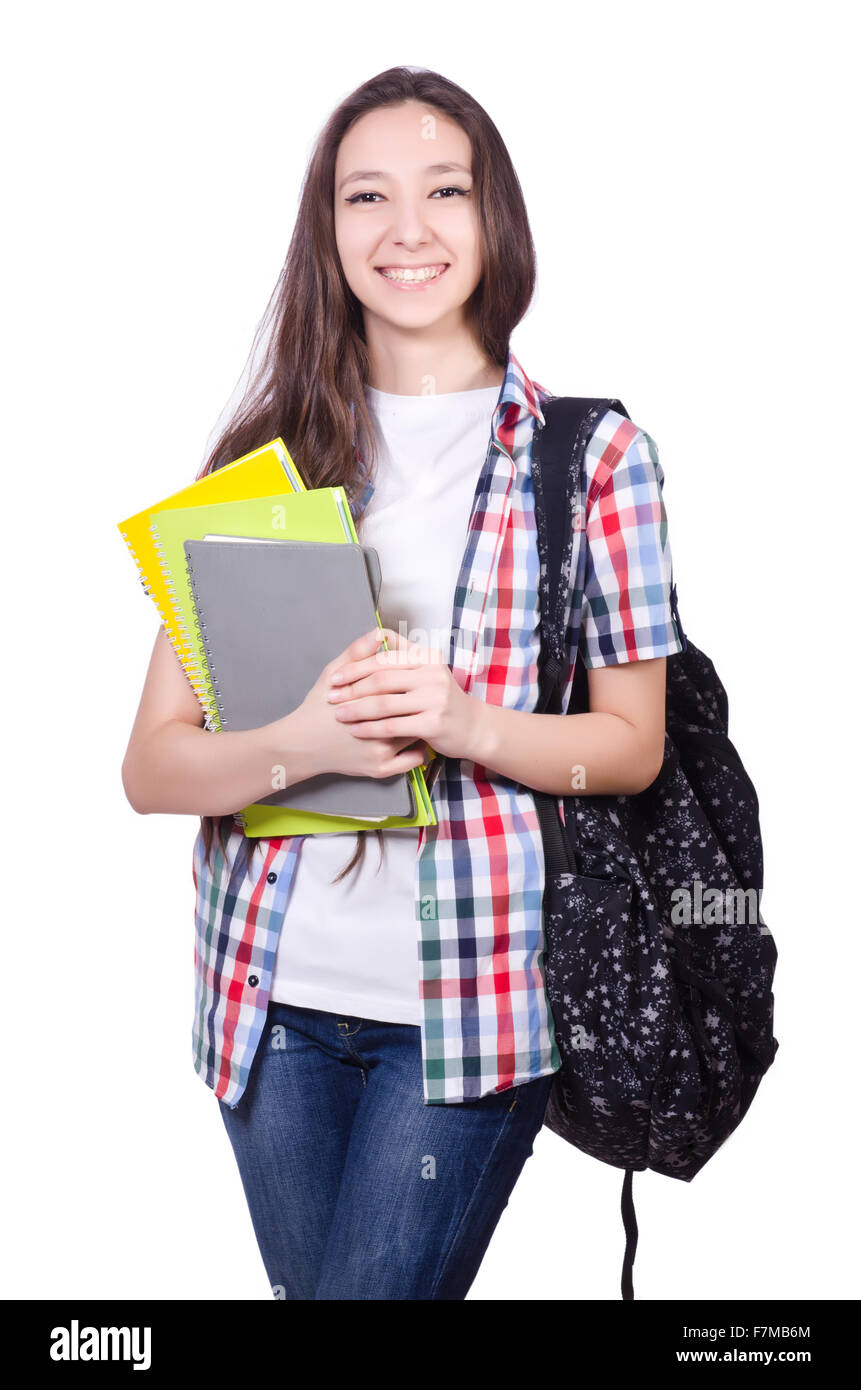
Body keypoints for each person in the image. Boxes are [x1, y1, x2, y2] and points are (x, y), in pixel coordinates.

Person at [121, 65, 684, 1301]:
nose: (408, 228)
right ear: (329, 234)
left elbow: (632, 745)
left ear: (497, 220)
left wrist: (466, 721)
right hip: (266, 1010)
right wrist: (302, 739)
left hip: (469, 1021)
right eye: (366, 196)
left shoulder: (592, 464)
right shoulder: (263, 467)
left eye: (446, 189)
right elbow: (151, 767)